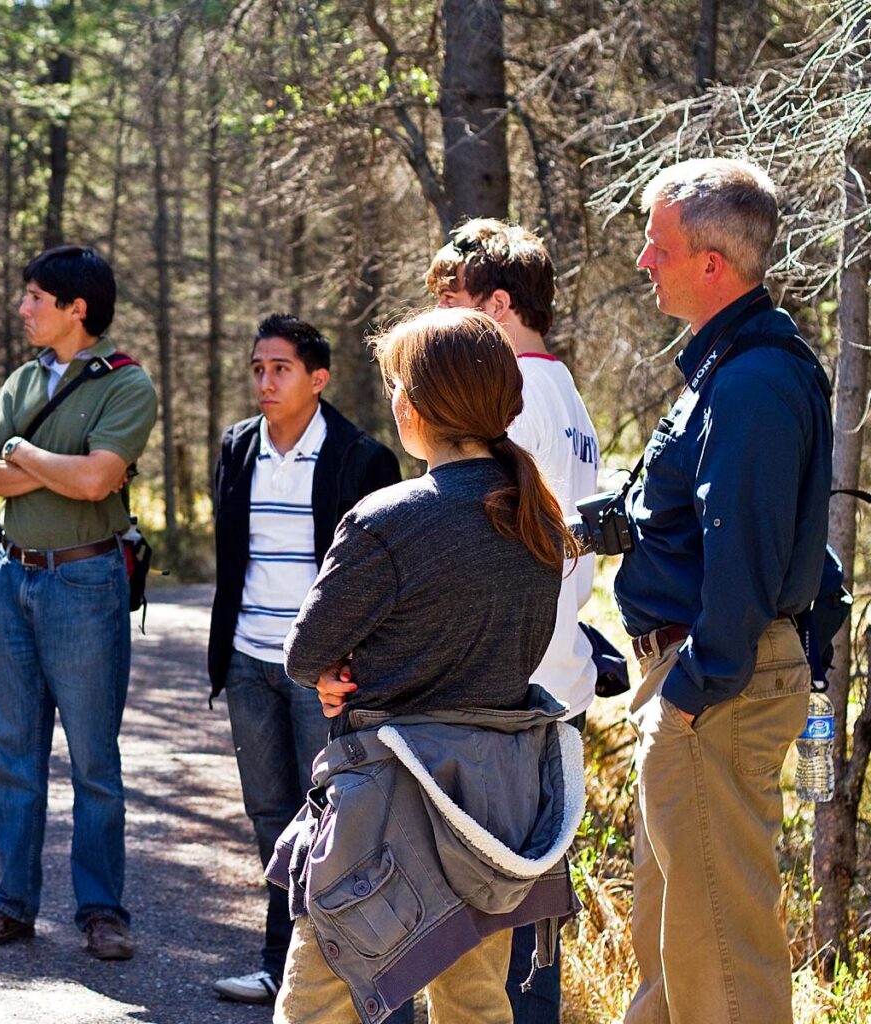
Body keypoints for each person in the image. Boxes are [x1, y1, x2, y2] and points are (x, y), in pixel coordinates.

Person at [270, 307, 581, 1024]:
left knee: (319, 1004)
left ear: (413, 409)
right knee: (475, 1004)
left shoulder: (387, 520)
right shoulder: (535, 517)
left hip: (382, 810)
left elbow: (304, 654)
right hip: (492, 810)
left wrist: (334, 671)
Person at [617, 158, 831, 1024]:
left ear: (712, 264)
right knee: (675, 948)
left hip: (716, 685)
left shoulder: (754, 382)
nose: (643, 261)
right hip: (700, 680)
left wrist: (696, 689)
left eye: (658, 246)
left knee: (722, 971)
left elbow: (740, 551)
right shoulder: (728, 369)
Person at [0, 245, 158, 960]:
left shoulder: (126, 385)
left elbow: (96, 482)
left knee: (93, 761)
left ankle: (102, 909)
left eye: (37, 297)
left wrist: (23, 453)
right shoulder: (19, 379)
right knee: (13, 755)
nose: (24, 308)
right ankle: (11, 903)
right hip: (12, 580)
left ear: (78, 308)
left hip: (85, 582)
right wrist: (47, 467)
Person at [428, 218, 600, 1022]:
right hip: (554, 679)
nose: (440, 318)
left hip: (507, 694)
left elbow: (486, 557)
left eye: (453, 299)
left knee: (490, 932)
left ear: (497, 306)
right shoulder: (565, 394)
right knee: (531, 927)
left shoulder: (518, 398)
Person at [207, 314, 401, 1005]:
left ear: (318, 379)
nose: (265, 380)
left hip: (321, 673)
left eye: (281, 368)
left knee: (331, 819)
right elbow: (234, 561)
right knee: (269, 815)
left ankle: (346, 976)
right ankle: (280, 963)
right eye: (258, 368)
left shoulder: (360, 458)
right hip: (248, 663)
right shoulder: (236, 447)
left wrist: (346, 660)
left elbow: (378, 576)